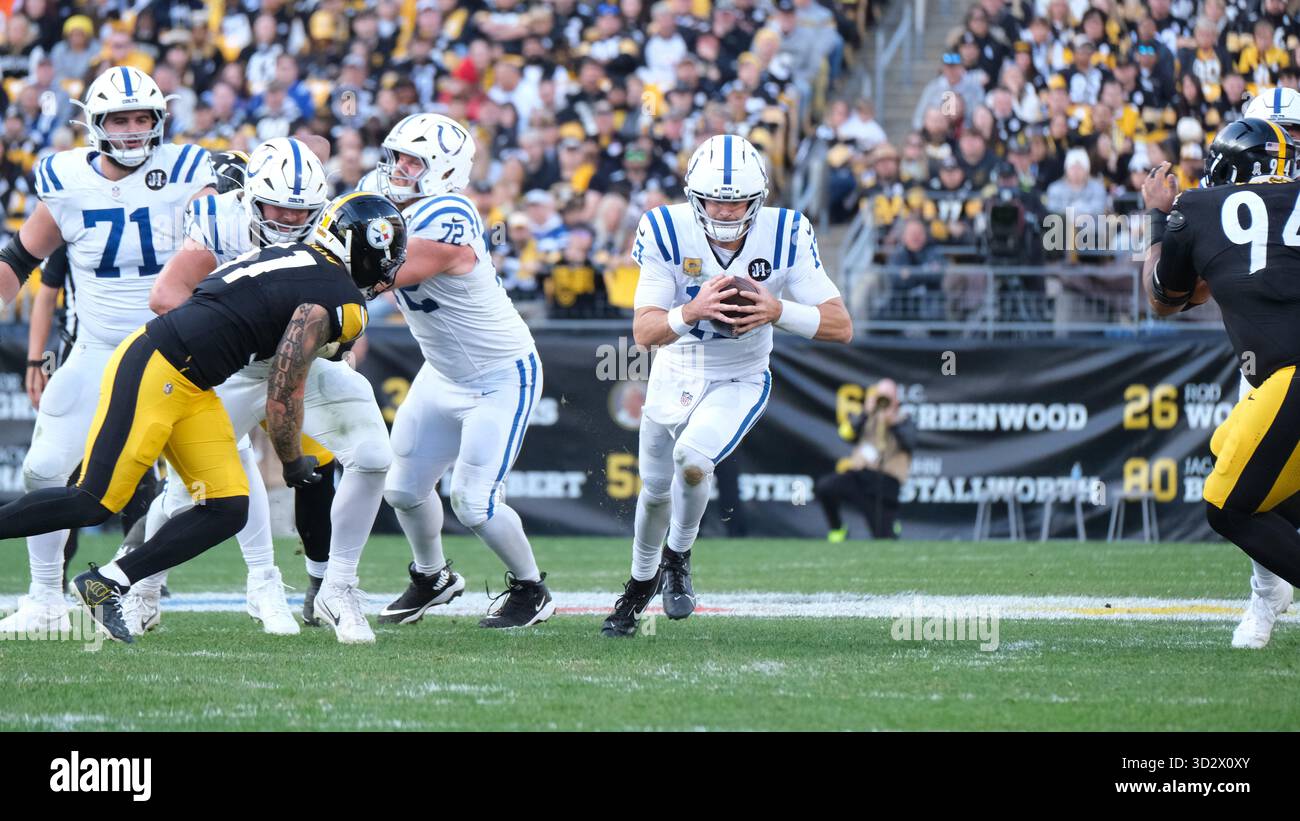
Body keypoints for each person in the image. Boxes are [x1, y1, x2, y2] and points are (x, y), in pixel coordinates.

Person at [0, 193, 403, 644]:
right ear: (371, 255)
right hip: (158, 368)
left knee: (229, 505)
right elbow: (284, 388)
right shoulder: (342, 301)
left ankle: (107, 582)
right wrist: (292, 464)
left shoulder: (297, 255)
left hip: (196, 383)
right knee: (93, 500)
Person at [138, 139, 393, 642]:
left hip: (298, 364)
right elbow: (165, 296)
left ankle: (339, 587)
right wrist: (242, 332)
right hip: (231, 367)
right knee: (187, 494)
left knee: (372, 453)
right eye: (277, 206)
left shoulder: (328, 224)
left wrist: (322, 345)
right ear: (251, 196)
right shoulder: (218, 218)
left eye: (302, 210)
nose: (289, 220)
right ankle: (144, 591)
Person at [601, 134, 853, 638]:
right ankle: (638, 583)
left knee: (692, 463)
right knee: (653, 493)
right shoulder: (666, 228)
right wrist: (692, 310)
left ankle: (678, 556)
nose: (725, 209)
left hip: (741, 374)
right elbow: (645, 332)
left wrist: (779, 310)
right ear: (694, 196)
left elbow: (840, 325)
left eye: (736, 199)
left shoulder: (785, 233)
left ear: (758, 197)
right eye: (715, 197)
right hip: (674, 370)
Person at [0, 67, 217, 636]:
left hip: (175, 349)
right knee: (44, 468)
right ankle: (45, 598)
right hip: (96, 349)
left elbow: (227, 234)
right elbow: (20, 260)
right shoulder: (67, 179)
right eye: (118, 119)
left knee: (221, 481)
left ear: (159, 120)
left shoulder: (192, 171)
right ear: (94, 124)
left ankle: (260, 585)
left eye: (141, 118)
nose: (131, 130)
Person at [366, 113, 555, 629]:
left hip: (501, 375)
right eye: (396, 156)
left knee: (473, 502)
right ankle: (433, 578)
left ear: (444, 170)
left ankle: (531, 588)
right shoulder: (383, 199)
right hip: (442, 372)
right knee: (402, 489)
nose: (398, 168)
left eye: (413, 160)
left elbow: (383, 276)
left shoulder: (450, 213)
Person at [1143, 118, 1300, 653]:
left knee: (1225, 503)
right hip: (1281, 382)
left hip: (1292, 374)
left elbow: (1164, 299)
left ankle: (1274, 594)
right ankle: (1269, 594)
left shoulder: (1199, 209)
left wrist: (1158, 219)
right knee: (1230, 449)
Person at [1228, 87, 1300, 648]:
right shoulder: (1231, 197)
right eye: (1274, 134)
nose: (1283, 148)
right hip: (1268, 365)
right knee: (1239, 474)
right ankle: (1266, 591)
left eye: (1293, 135)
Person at [816, 379, 917, 541]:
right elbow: (846, 434)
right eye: (880, 396)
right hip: (860, 477)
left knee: (884, 539)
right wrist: (864, 413)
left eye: (887, 397)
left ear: (896, 399)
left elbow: (910, 442)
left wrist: (893, 423)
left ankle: (891, 525)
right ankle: (838, 530)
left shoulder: (904, 418)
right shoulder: (867, 415)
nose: (883, 401)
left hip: (885, 484)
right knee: (825, 487)